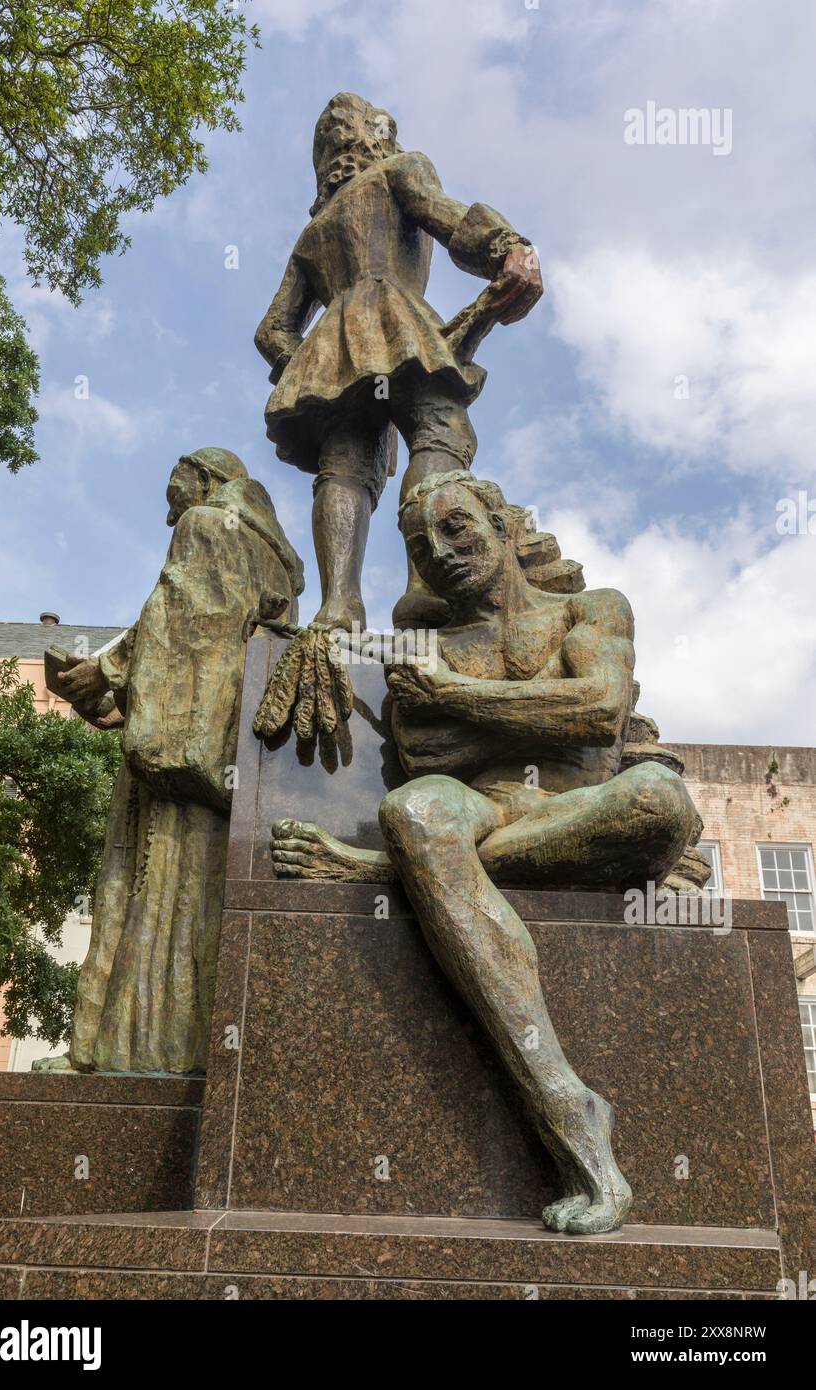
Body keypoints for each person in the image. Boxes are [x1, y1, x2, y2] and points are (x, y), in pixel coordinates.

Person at [271, 471, 701, 1232]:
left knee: (657, 800)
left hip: (585, 809)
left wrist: (461, 700)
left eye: (456, 529)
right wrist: (525, 714)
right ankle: (567, 1105)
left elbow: (599, 709)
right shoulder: (424, 646)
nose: (439, 553)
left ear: (503, 528)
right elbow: (428, 753)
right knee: (414, 807)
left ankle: (396, 869)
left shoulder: (591, 608)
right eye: (418, 546)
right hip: (484, 808)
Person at [43, 448, 303, 1074]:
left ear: (209, 480)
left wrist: (103, 674)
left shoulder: (209, 525)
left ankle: (125, 1051)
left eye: (173, 494)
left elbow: (183, 620)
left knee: (157, 886)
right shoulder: (271, 554)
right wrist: (119, 693)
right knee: (196, 894)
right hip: (234, 747)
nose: (170, 516)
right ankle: (176, 1048)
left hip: (187, 758)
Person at [254, 92, 542, 630]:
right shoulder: (399, 171)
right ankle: (426, 588)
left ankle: (339, 605)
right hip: (401, 325)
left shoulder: (312, 232)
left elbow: (273, 330)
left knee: (344, 465)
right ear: (374, 136)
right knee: (440, 434)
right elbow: (451, 220)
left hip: (334, 347)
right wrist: (509, 246)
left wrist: (313, 366)